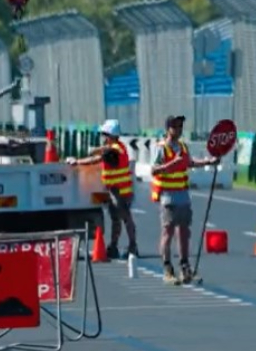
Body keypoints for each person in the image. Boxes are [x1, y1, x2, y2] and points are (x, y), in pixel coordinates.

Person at [150, 115, 218, 285]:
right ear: (168, 129)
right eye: (175, 126)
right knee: (168, 232)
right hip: (168, 197)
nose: (179, 130)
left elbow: (189, 163)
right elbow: (154, 170)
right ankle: (167, 269)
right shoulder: (161, 148)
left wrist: (208, 162)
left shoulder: (183, 146)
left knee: (183, 233)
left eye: (180, 126)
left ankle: (185, 267)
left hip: (183, 196)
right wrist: (173, 162)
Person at [67, 119, 139, 258]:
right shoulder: (117, 147)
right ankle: (114, 247)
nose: (103, 137)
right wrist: (95, 150)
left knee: (125, 218)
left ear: (110, 135)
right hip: (114, 190)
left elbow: (97, 158)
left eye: (104, 135)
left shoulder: (114, 150)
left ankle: (132, 247)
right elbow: (103, 151)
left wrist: (78, 161)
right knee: (116, 219)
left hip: (120, 192)